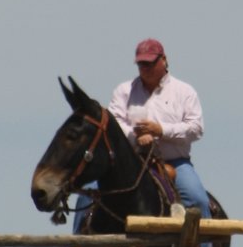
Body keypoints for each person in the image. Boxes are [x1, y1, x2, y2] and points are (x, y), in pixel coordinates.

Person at [73, 38, 212, 229]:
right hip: (129, 162)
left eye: (149, 63)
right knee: (88, 194)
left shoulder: (184, 92)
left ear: (164, 60)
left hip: (174, 163)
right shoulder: (124, 91)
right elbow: (115, 124)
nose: (144, 68)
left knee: (198, 200)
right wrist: (135, 136)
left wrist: (160, 130)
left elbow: (196, 128)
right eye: (141, 64)